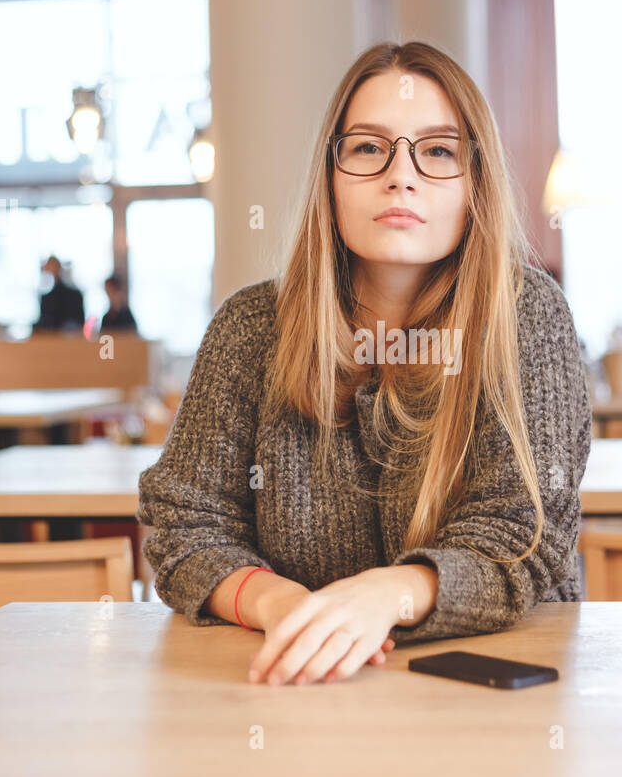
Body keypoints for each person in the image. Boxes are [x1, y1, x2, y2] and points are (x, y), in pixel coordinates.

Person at [136, 41, 592, 686]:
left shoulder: (527, 315)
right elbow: (186, 523)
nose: (399, 175)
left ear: (474, 184)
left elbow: (525, 536)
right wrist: (285, 605)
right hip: (296, 687)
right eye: (368, 147)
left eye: (437, 151)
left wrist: (388, 595)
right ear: (331, 175)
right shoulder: (249, 327)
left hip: (492, 701)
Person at [34, 255, 85, 332]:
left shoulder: (74, 295)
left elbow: (78, 322)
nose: (51, 269)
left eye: (53, 266)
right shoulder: (46, 297)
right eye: (49, 267)